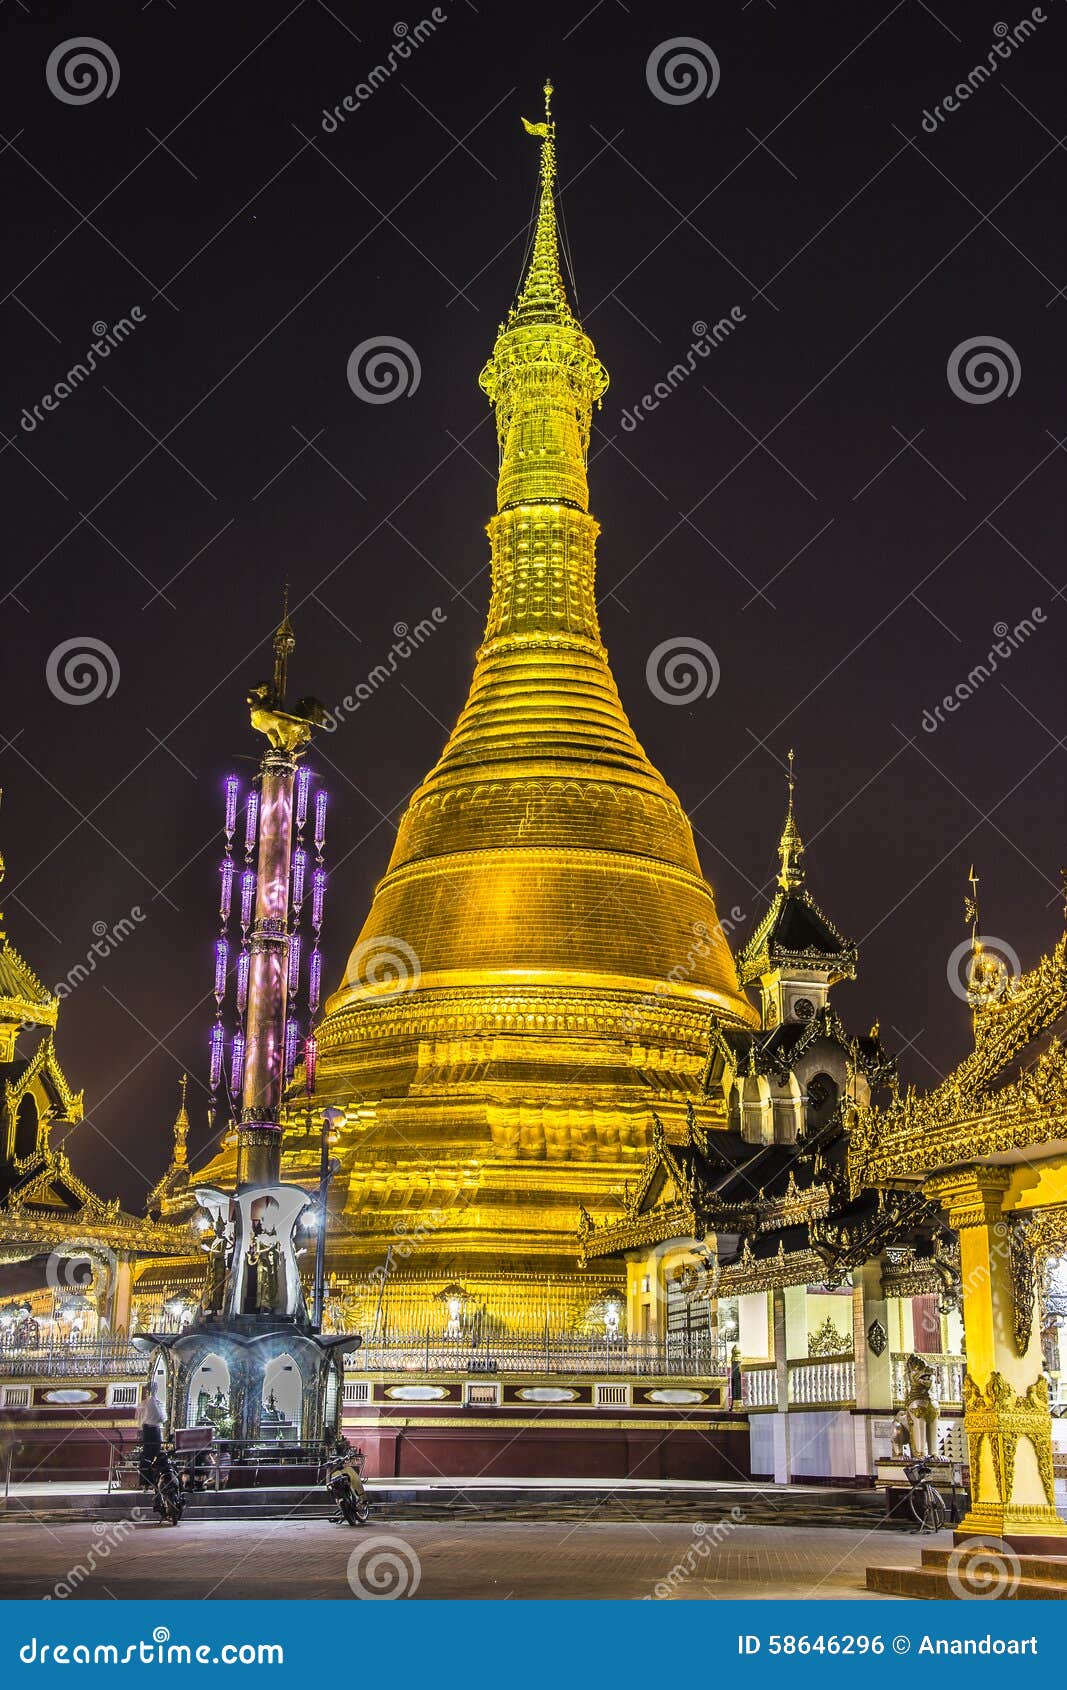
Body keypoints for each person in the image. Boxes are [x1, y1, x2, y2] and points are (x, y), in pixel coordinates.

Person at [136, 1383, 166, 1489]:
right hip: (152, 1431)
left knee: (149, 1458)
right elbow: (162, 1418)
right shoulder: (153, 1403)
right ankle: (148, 1483)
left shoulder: (144, 1404)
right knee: (151, 1457)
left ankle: (150, 1483)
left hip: (148, 1431)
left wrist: (140, 1432)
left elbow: (139, 1420)